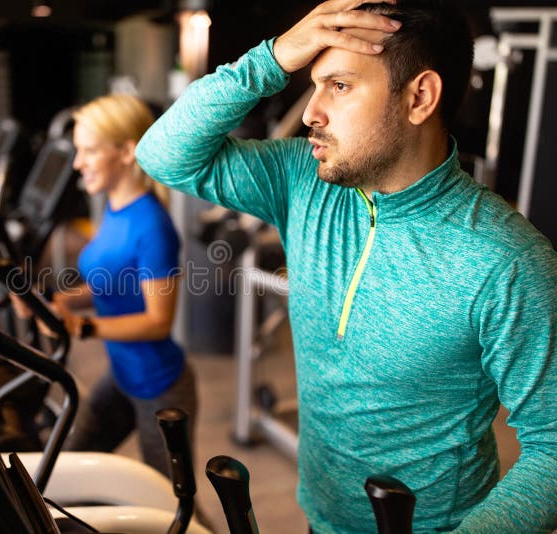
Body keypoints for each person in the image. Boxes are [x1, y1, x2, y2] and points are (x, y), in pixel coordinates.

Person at [135, 1, 557, 532]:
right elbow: (162, 154)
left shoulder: (506, 260)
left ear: (420, 97)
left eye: (338, 86)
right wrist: (273, 58)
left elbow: (553, 446)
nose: (311, 111)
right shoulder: (303, 181)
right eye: (313, 84)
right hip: (320, 515)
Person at [12, 93, 199, 481]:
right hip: (122, 373)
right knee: (66, 471)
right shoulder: (115, 208)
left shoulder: (152, 226)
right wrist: (54, 301)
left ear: (127, 151)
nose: (77, 163)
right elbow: (111, 281)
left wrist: (80, 326)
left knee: (175, 506)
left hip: (159, 387)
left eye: (89, 151)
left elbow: (157, 322)